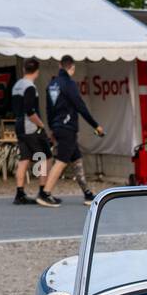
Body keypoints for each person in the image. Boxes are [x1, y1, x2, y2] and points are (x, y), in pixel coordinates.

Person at [44, 56, 105, 204]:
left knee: (77, 160)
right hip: (67, 128)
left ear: (60, 66)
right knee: (61, 161)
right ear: (72, 68)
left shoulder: (52, 84)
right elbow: (80, 106)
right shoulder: (69, 84)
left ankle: (87, 193)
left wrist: (52, 128)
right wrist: (95, 125)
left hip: (58, 127)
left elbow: (49, 109)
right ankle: (45, 193)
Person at [11, 59, 53, 206]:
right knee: (44, 157)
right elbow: (30, 111)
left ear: (23, 69)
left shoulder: (17, 85)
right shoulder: (30, 87)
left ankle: (19, 193)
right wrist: (42, 125)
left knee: (24, 159)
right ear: (37, 71)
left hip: (19, 125)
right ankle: (43, 192)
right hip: (31, 127)